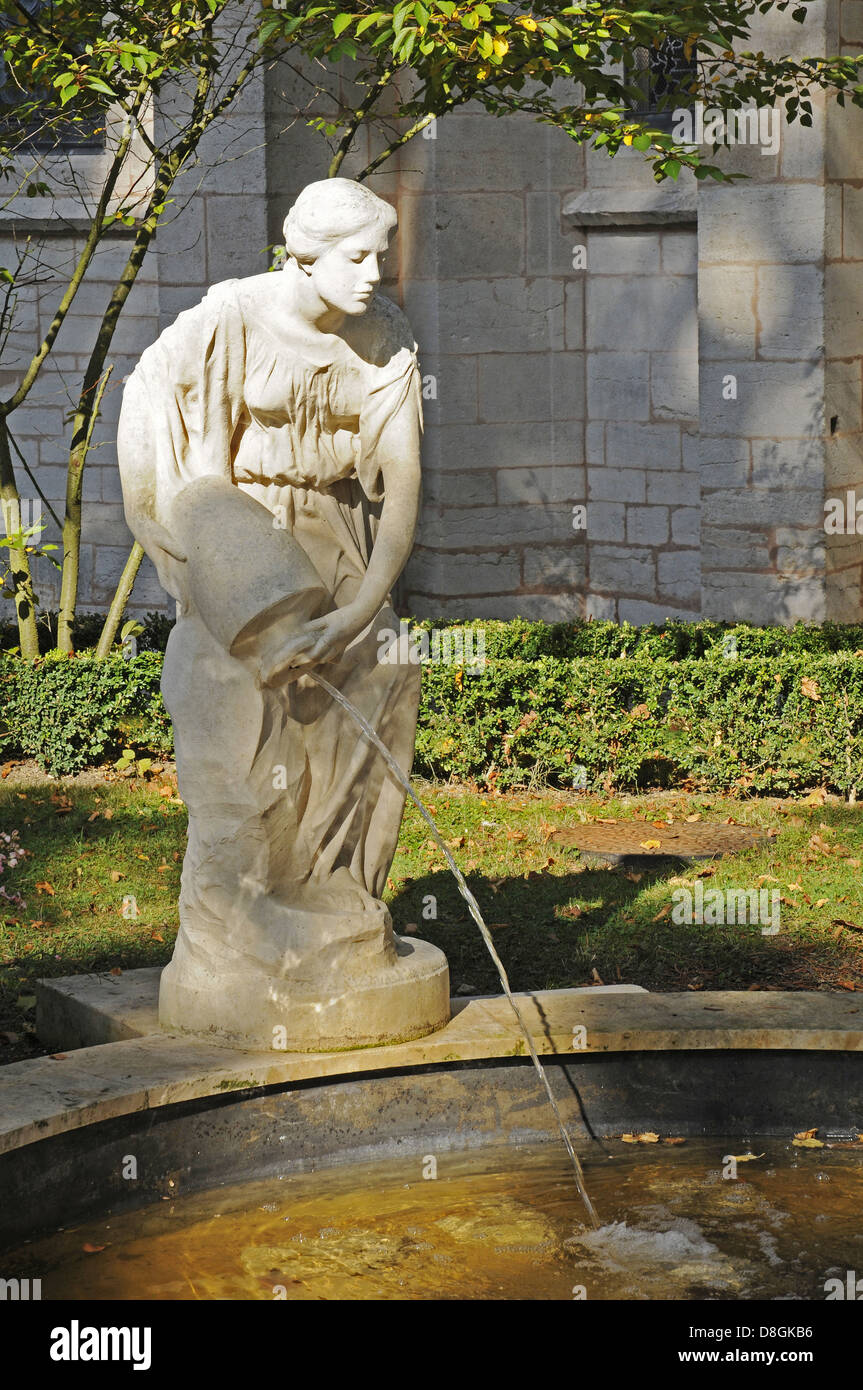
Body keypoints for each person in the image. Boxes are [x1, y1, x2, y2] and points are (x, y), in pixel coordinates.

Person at [117, 178, 448, 1050]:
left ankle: (337, 892)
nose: (375, 272)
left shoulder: (385, 336)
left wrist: (367, 604)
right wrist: (161, 531)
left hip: (340, 537)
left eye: (384, 253)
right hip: (245, 547)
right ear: (305, 252)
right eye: (357, 255)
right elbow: (150, 400)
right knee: (242, 717)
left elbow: (404, 480)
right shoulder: (230, 316)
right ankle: (244, 917)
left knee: (383, 671)